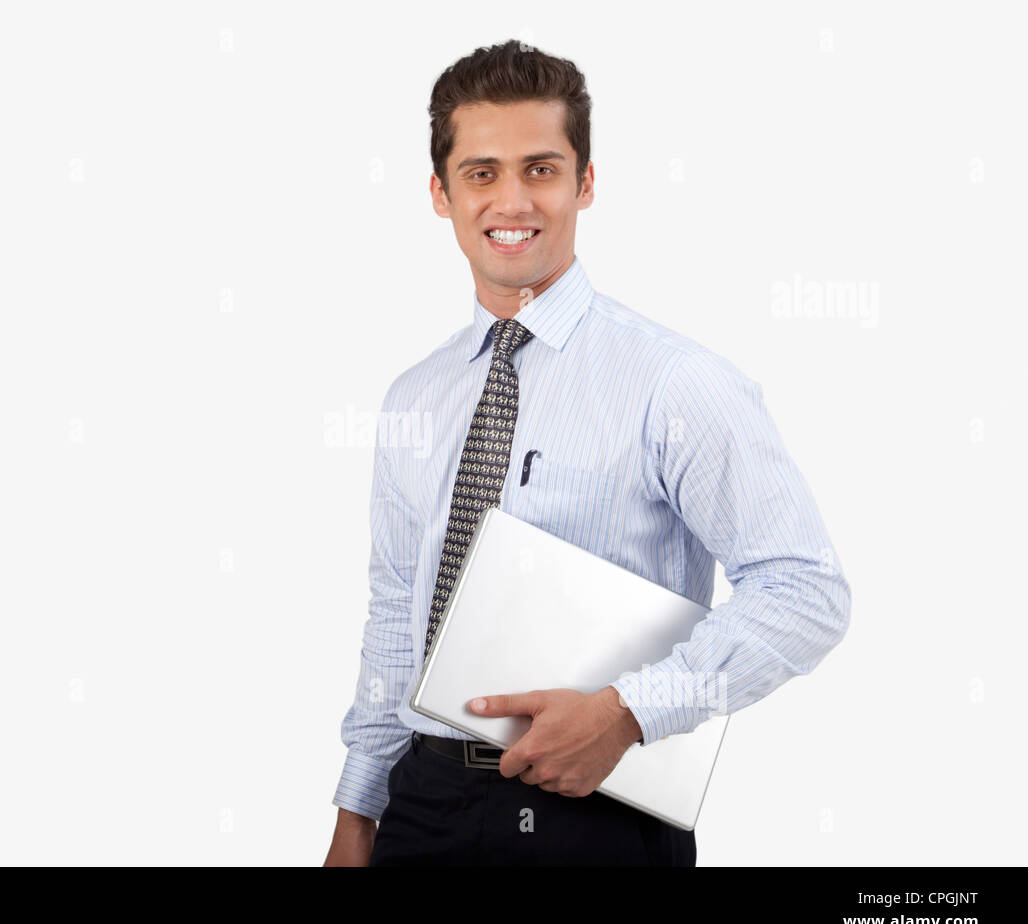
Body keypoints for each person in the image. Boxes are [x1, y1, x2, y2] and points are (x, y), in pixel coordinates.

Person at [323, 39, 851, 867]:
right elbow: (397, 609)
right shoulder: (413, 399)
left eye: (541, 168)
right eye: (482, 172)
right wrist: (358, 811)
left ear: (585, 182)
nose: (512, 199)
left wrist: (628, 712)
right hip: (422, 807)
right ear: (441, 193)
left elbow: (806, 590)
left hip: (599, 815)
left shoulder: (676, 383)